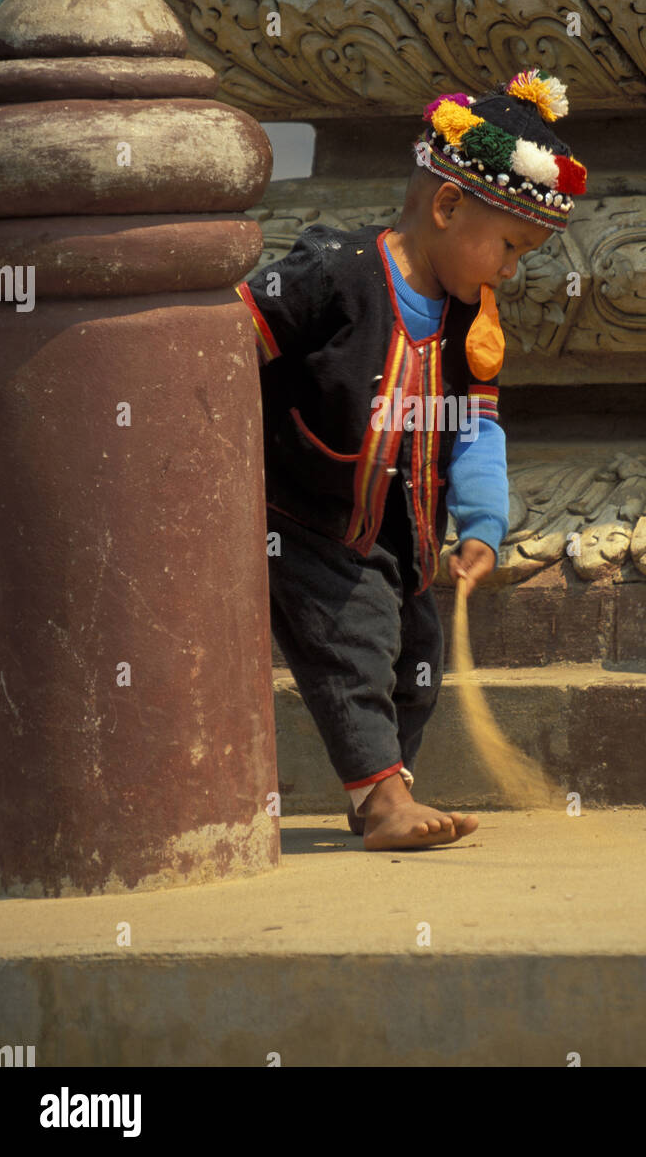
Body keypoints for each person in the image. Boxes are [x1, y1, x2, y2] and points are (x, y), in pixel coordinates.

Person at [235, 70, 587, 850]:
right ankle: (381, 802)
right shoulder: (335, 273)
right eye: (509, 246)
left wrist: (484, 523)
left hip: (402, 537)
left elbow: (476, 432)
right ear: (448, 205)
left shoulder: (473, 327)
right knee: (354, 650)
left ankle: (393, 787)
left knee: (416, 654)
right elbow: (230, 337)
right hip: (305, 517)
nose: (510, 269)